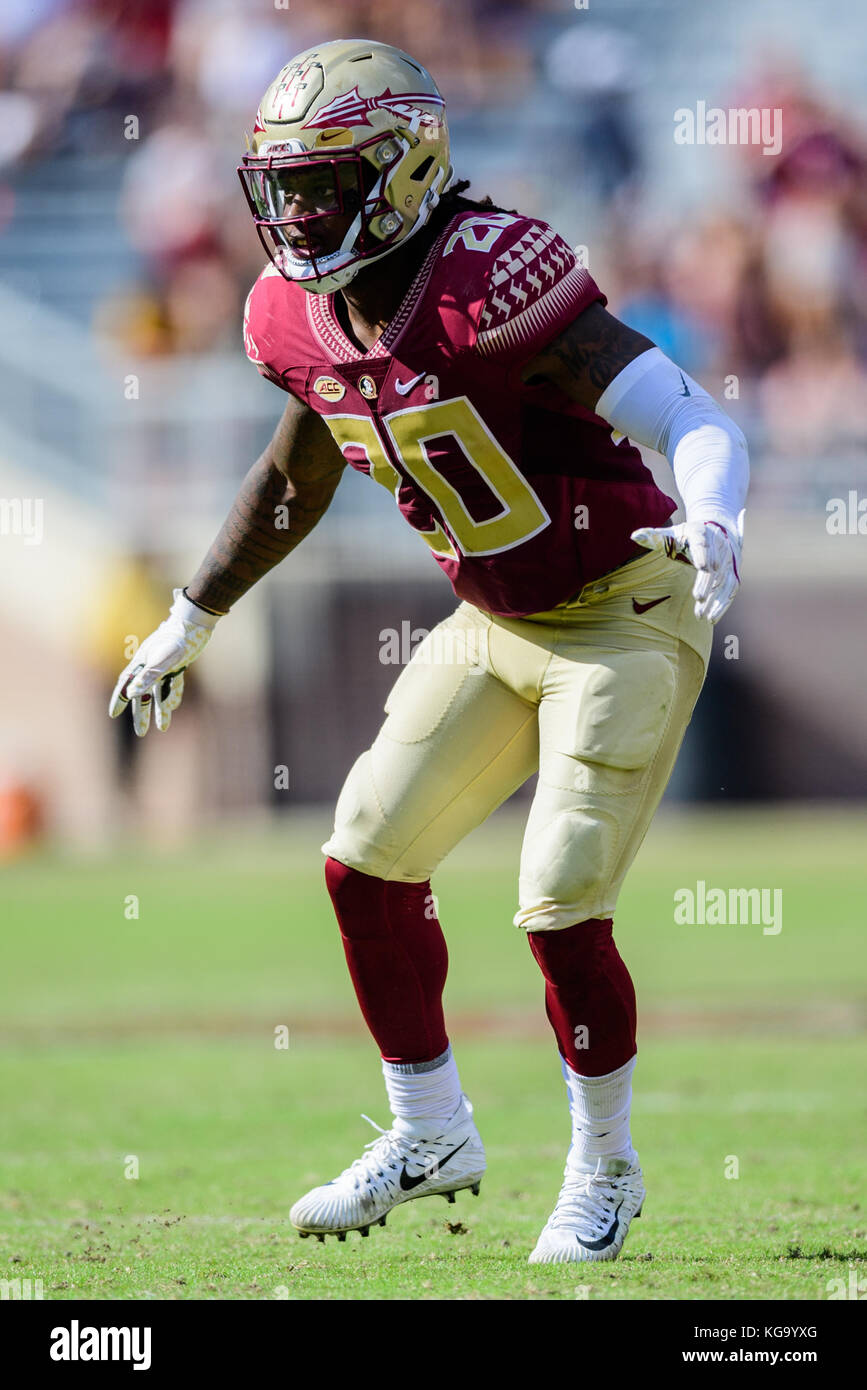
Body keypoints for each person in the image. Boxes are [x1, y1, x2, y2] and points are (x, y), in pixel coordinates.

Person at [109, 39, 748, 1264]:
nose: (294, 212)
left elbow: (687, 413)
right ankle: (430, 1130)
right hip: (497, 622)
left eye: (322, 182)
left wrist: (713, 510)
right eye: (280, 186)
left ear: (401, 172)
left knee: (559, 901)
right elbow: (294, 477)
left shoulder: (485, 277)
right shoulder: (292, 311)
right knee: (364, 859)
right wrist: (191, 615)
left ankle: (606, 1170)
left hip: (623, 605)